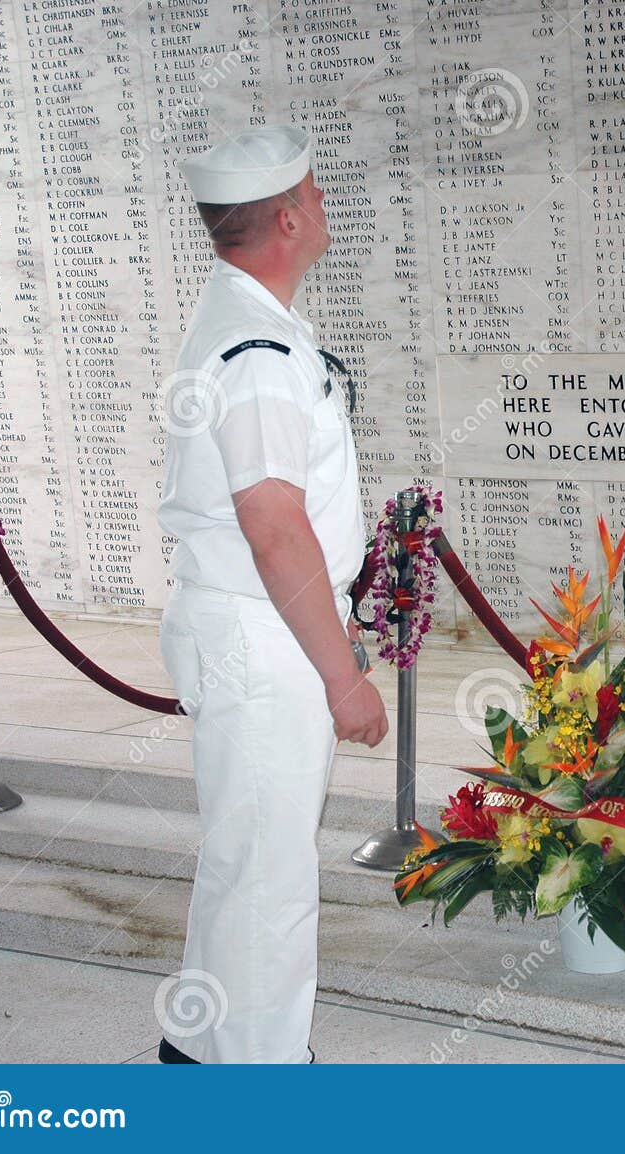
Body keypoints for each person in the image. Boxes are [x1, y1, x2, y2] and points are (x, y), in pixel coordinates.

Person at [153, 124, 389, 1064]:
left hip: (256, 622)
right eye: (320, 195)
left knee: (245, 857)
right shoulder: (254, 350)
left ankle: (197, 1052)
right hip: (264, 634)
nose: (326, 208)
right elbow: (273, 525)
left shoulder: (253, 324)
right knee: (270, 881)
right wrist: (343, 677)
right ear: (289, 217)